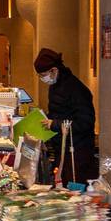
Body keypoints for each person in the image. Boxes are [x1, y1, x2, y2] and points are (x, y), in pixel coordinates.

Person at [33, 48, 98, 184]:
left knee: (74, 189)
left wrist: (54, 124)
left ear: (54, 70)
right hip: (62, 148)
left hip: (77, 152)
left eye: (43, 74)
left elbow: (86, 122)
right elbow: (59, 112)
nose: (42, 79)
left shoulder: (76, 89)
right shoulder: (55, 85)